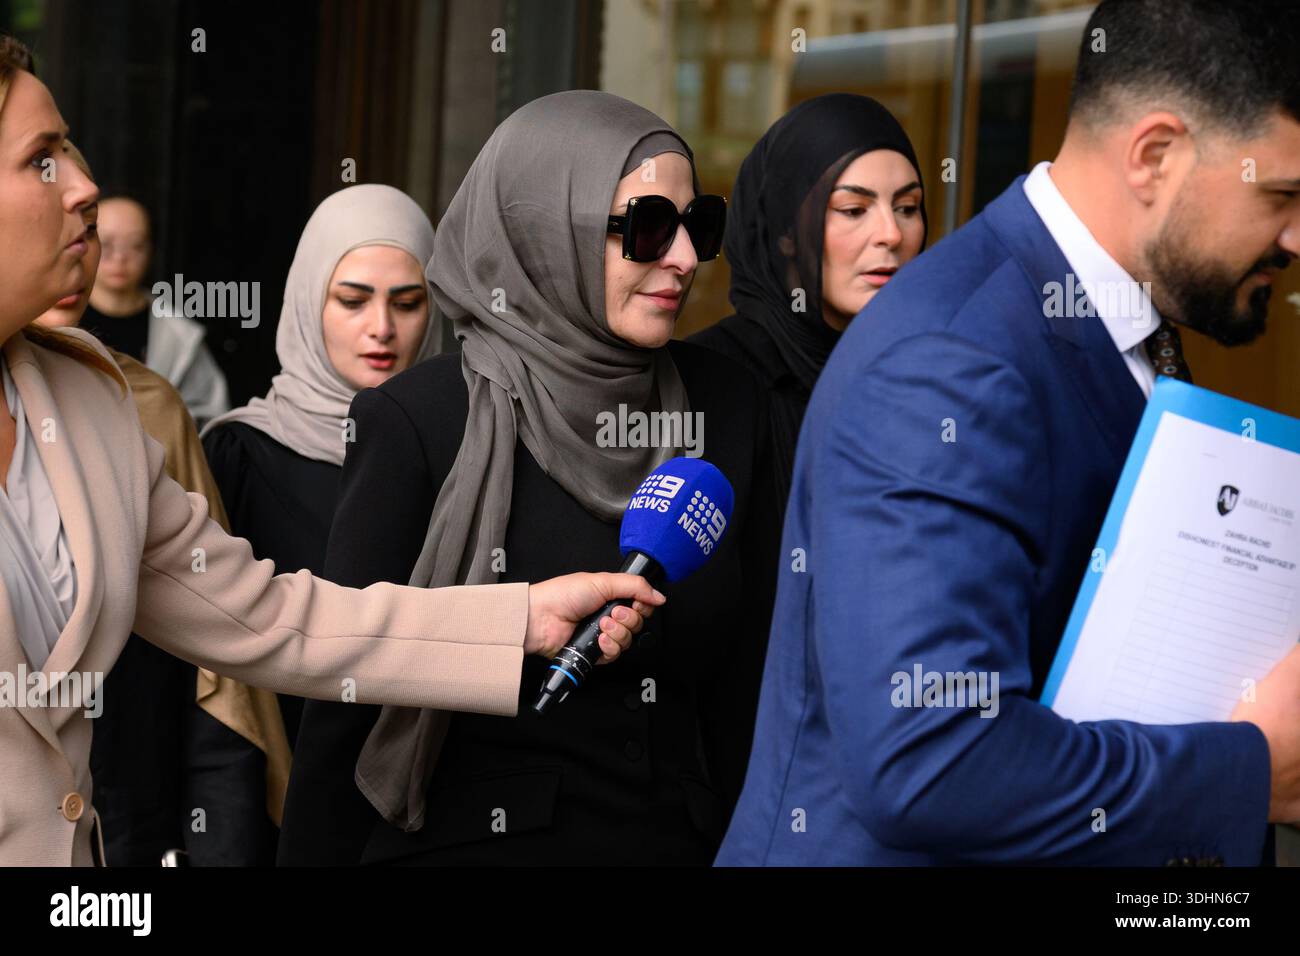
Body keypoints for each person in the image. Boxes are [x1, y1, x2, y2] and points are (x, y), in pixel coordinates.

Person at [0, 36, 660, 867]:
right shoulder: (230, 440)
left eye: (69, 146)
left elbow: (273, 617)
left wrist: (518, 619)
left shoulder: (88, 400)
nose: (86, 184)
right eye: (41, 160)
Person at [718, 0, 1300, 866]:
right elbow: (934, 759)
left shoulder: (1118, 320)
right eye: (1281, 194)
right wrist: (1251, 772)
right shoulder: (949, 360)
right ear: (1155, 156)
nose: (1295, 236)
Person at [279, 90, 768, 866]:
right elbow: (347, 688)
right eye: (646, 228)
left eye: (697, 226)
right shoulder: (421, 420)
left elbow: (747, 683)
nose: (681, 257)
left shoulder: (727, 404)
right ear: (546, 235)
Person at [33, 141, 292, 866]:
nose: (84, 247)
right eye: (40, 166)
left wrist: (507, 626)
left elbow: (240, 628)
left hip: (132, 779)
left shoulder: (141, 399)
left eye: (100, 238)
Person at [689, 94, 927, 713]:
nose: (891, 234)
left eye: (909, 207)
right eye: (853, 209)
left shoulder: (923, 383)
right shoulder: (711, 385)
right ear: (787, 232)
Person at [202, 184, 442, 751]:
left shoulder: (464, 448)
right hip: (271, 783)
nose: (381, 327)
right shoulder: (241, 454)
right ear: (310, 301)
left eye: (408, 303)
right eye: (353, 300)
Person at [83, 194, 230, 426]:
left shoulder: (180, 335)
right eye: (107, 243)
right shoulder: (53, 317)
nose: (120, 258)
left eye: (135, 245)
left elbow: (210, 418)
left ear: (151, 250)